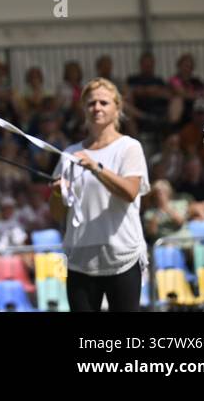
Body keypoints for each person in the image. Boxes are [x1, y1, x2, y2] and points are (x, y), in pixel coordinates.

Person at [50, 78, 150, 312]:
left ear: (117, 108)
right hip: (81, 260)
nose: (97, 108)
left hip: (121, 257)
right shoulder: (70, 153)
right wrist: (56, 194)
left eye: (104, 102)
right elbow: (58, 214)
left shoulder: (129, 147)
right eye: (91, 103)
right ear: (84, 109)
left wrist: (96, 168)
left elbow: (130, 192)